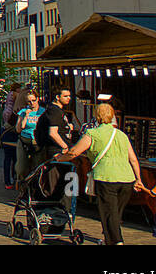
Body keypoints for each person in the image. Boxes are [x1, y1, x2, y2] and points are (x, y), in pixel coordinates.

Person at [60, 102, 147, 246]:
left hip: (107, 177)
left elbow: (74, 152)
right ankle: (109, 239)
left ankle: (117, 241)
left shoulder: (93, 133)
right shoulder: (121, 135)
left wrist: (60, 157)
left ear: (97, 117)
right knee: (115, 213)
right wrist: (138, 179)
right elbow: (133, 159)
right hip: (127, 178)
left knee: (108, 212)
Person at [14, 89, 42, 184]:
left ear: (38, 99)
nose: (32, 103)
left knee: (37, 166)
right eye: (29, 101)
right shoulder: (23, 111)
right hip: (24, 140)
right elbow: (18, 129)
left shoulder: (42, 112)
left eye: (33, 100)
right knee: (21, 168)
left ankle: (34, 187)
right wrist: (25, 116)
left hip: (38, 142)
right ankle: (21, 184)